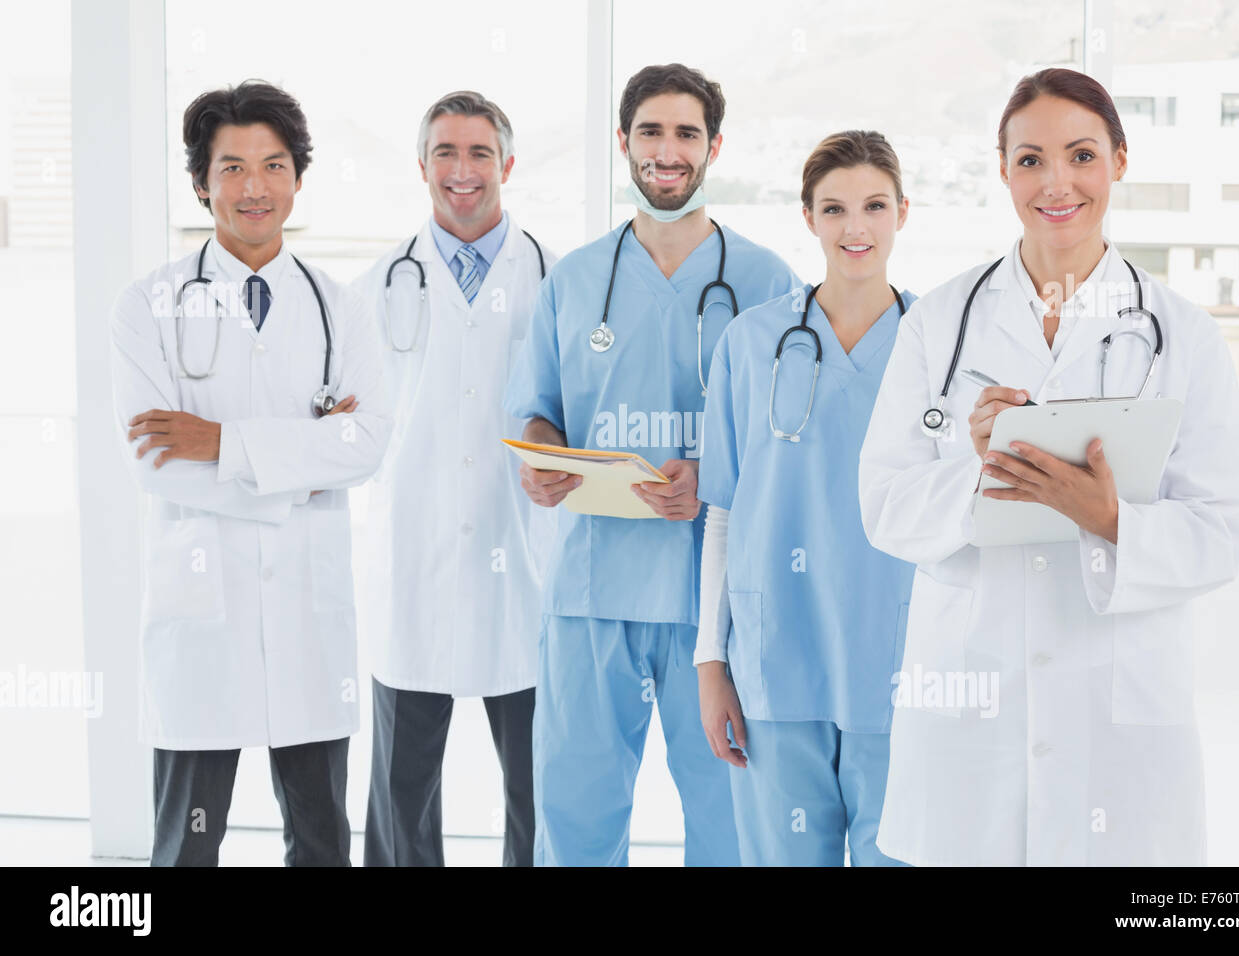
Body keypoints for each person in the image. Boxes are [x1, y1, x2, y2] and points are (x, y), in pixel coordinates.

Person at [858, 68, 1239, 866]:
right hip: (971, 711)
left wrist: (1108, 518)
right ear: (1003, 169)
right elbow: (884, 504)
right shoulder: (940, 323)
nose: (1057, 183)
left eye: (1081, 155)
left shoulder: (1183, 334)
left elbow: (1224, 526)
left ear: (1118, 160)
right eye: (1031, 159)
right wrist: (978, 469)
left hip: (1116, 715)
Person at [504, 63, 800, 866]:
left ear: (713, 147)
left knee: (729, 820)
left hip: (718, 602)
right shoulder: (574, 280)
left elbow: (793, 439)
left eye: (686, 133)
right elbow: (536, 409)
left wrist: (714, 476)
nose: (667, 151)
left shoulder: (768, 282)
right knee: (576, 816)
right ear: (624, 142)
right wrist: (541, 461)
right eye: (651, 132)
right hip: (593, 588)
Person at [109, 80, 392, 866]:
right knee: (187, 849)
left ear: (298, 178)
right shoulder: (148, 307)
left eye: (272, 166)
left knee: (322, 844)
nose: (255, 188)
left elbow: (367, 446)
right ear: (201, 182)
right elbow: (156, 463)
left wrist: (225, 444)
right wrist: (305, 459)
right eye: (232, 168)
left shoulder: (343, 308)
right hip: (203, 627)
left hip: (310, 622)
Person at [695, 130, 917, 866]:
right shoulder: (752, 343)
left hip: (902, 668)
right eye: (835, 208)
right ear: (809, 218)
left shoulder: (937, 348)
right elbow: (721, 511)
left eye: (874, 206)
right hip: (776, 666)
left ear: (902, 213)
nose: (856, 227)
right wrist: (710, 664)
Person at [355, 90, 556, 868]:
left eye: (478, 153)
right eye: (446, 152)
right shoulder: (376, 285)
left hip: (529, 563)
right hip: (415, 565)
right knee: (401, 799)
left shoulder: (557, 279)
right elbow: (350, 422)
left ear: (506, 164)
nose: (462, 170)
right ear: (422, 165)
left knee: (539, 792)